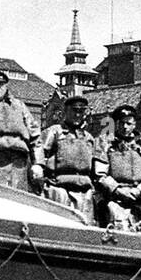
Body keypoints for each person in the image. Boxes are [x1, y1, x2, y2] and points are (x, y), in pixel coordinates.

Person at [96, 106, 141, 229]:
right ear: (115, 124)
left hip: (140, 203)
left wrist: (138, 192)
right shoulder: (106, 147)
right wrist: (118, 191)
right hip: (115, 203)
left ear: (134, 124)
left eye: (128, 123)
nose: (125, 127)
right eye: (121, 123)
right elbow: (100, 175)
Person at [40, 94, 101, 222]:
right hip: (59, 187)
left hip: (84, 190)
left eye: (81, 111)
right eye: (74, 110)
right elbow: (40, 155)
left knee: (85, 227)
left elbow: (96, 166)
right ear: (66, 111)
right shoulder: (54, 132)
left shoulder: (88, 138)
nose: (77, 115)